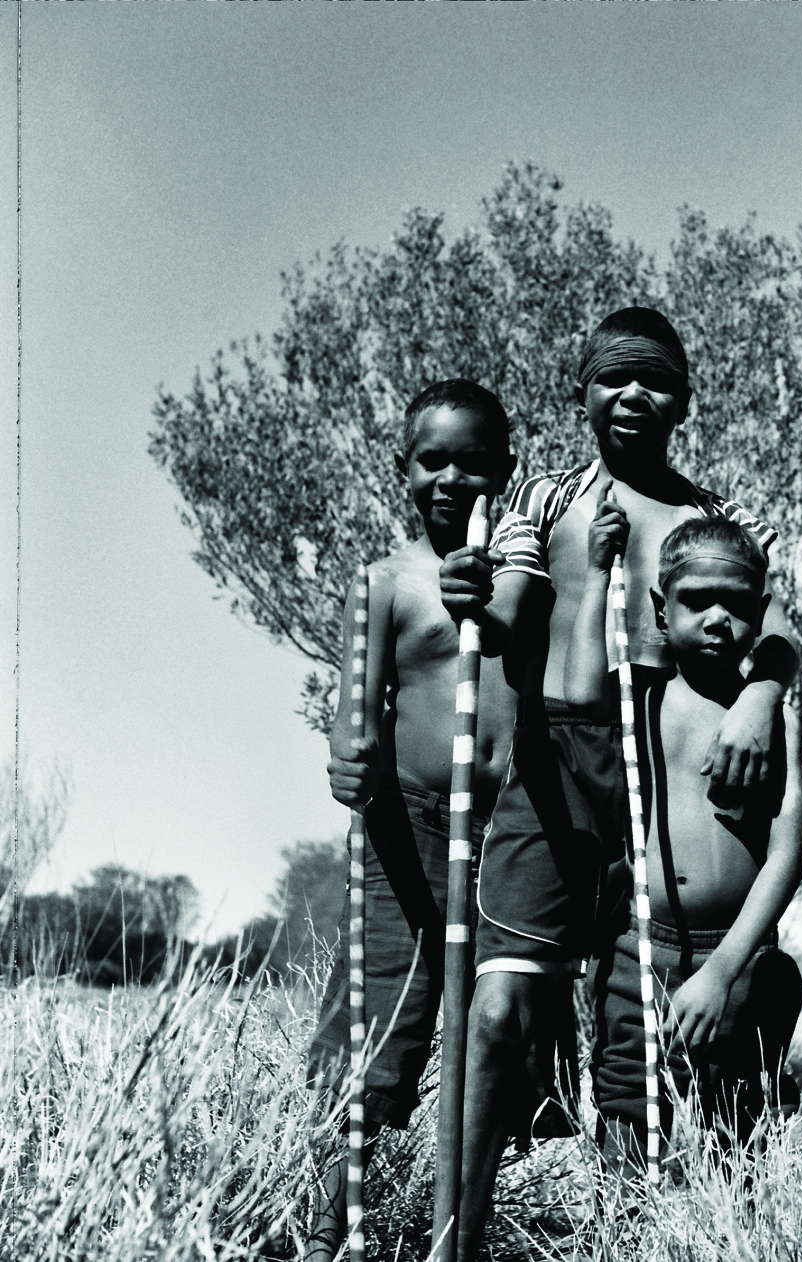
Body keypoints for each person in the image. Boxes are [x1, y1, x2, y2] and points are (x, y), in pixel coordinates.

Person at [440, 307, 800, 1258]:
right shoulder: (541, 498)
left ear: (685, 398)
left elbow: (779, 632)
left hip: (670, 784)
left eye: (656, 380)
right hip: (555, 768)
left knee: (657, 1016)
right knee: (500, 1006)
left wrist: (762, 694)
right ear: (583, 390)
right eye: (614, 377)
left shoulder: (722, 523)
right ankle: (459, 1238)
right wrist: (477, 596)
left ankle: (677, 1224)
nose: (633, 395)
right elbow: (514, 609)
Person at [305, 380, 518, 1262]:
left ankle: (460, 1231)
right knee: (377, 1018)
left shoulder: (526, 579)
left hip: (506, 834)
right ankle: (328, 1225)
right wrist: (346, 750)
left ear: (505, 469)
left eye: (473, 461)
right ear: (404, 471)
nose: (451, 478)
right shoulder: (385, 582)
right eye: (433, 460)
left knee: (498, 1025)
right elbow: (357, 700)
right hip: (407, 828)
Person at [564, 509, 802, 1172]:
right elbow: (579, 695)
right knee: (628, 1112)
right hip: (638, 948)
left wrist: (723, 972)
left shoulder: (773, 718)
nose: (717, 618)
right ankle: (623, 1236)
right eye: (697, 601)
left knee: (738, 1128)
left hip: (741, 958)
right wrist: (595, 574)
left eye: (736, 604)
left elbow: (787, 854)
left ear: (760, 613)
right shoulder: (636, 701)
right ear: (661, 608)